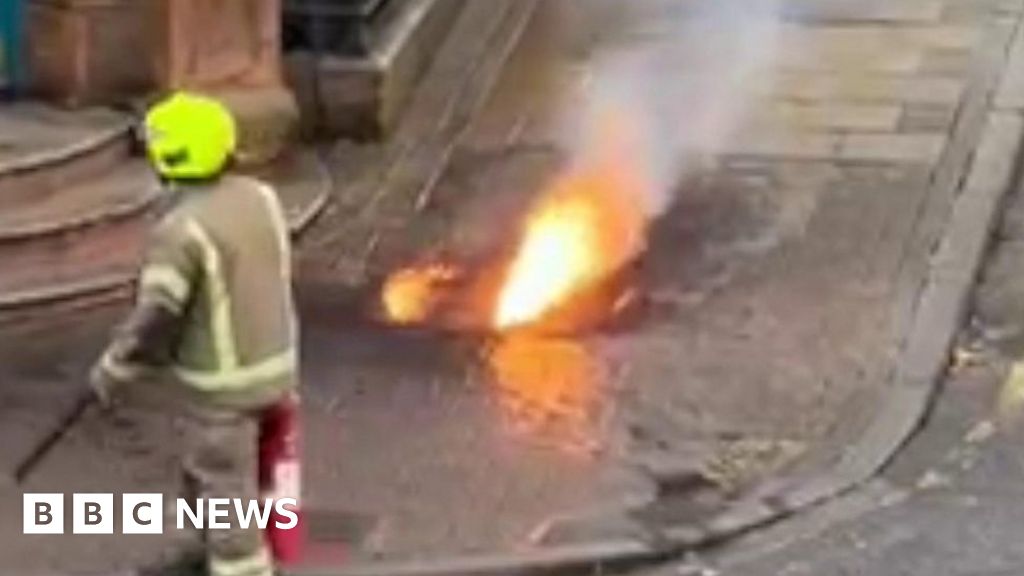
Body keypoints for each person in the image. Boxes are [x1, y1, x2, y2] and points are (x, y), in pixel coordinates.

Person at [90, 91, 299, 576]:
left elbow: (157, 316)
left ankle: (237, 566)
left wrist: (115, 368)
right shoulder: (261, 199)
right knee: (214, 479)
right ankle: (207, 554)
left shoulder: (181, 229)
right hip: (276, 370)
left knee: (225, 491)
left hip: (221, 390)